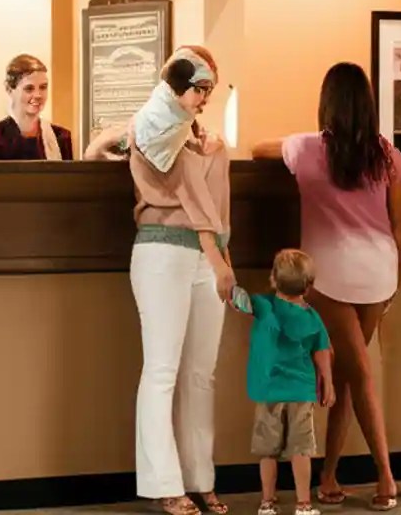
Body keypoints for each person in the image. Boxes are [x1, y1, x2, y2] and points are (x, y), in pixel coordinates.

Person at [252, 62, 401, 511]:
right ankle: (330, 476)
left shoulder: (304, 149)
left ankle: (386, 477)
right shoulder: (385, 154)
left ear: (326, 104)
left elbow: (257, 148)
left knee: (358, 375)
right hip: (379, 272)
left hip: (331, 276)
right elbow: (400, 226)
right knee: (347, 372)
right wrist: (398, 279)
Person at [126, 46, 235, 515]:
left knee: (200, 375)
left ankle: (200, 478)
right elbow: (186, 199)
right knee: (162, 370)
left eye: (210, 89)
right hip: (163, 251)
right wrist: (219, 259)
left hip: (206, 259)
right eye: (200, 88)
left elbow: (218, 207)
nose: (205, 98)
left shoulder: (201, 136)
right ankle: (163, 484)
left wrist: (221, 256)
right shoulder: (155, 125)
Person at [239, 249, 335, 515]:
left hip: (268, 389)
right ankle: (303, 504)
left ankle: (267, 503)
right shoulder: (312, 317)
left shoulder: (263, 305)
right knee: (301, 450)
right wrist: (328, 382)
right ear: (309, 285)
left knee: (267, 451)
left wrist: (224, 273)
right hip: (301, 391)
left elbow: (238, 300)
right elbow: (322, 351)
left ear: (273, 279)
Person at [0, 54, 73, 161]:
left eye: (43, 87)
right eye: (29, 89)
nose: (38, 95)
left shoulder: (61, 137)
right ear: (9, 90)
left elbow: (67, 178)